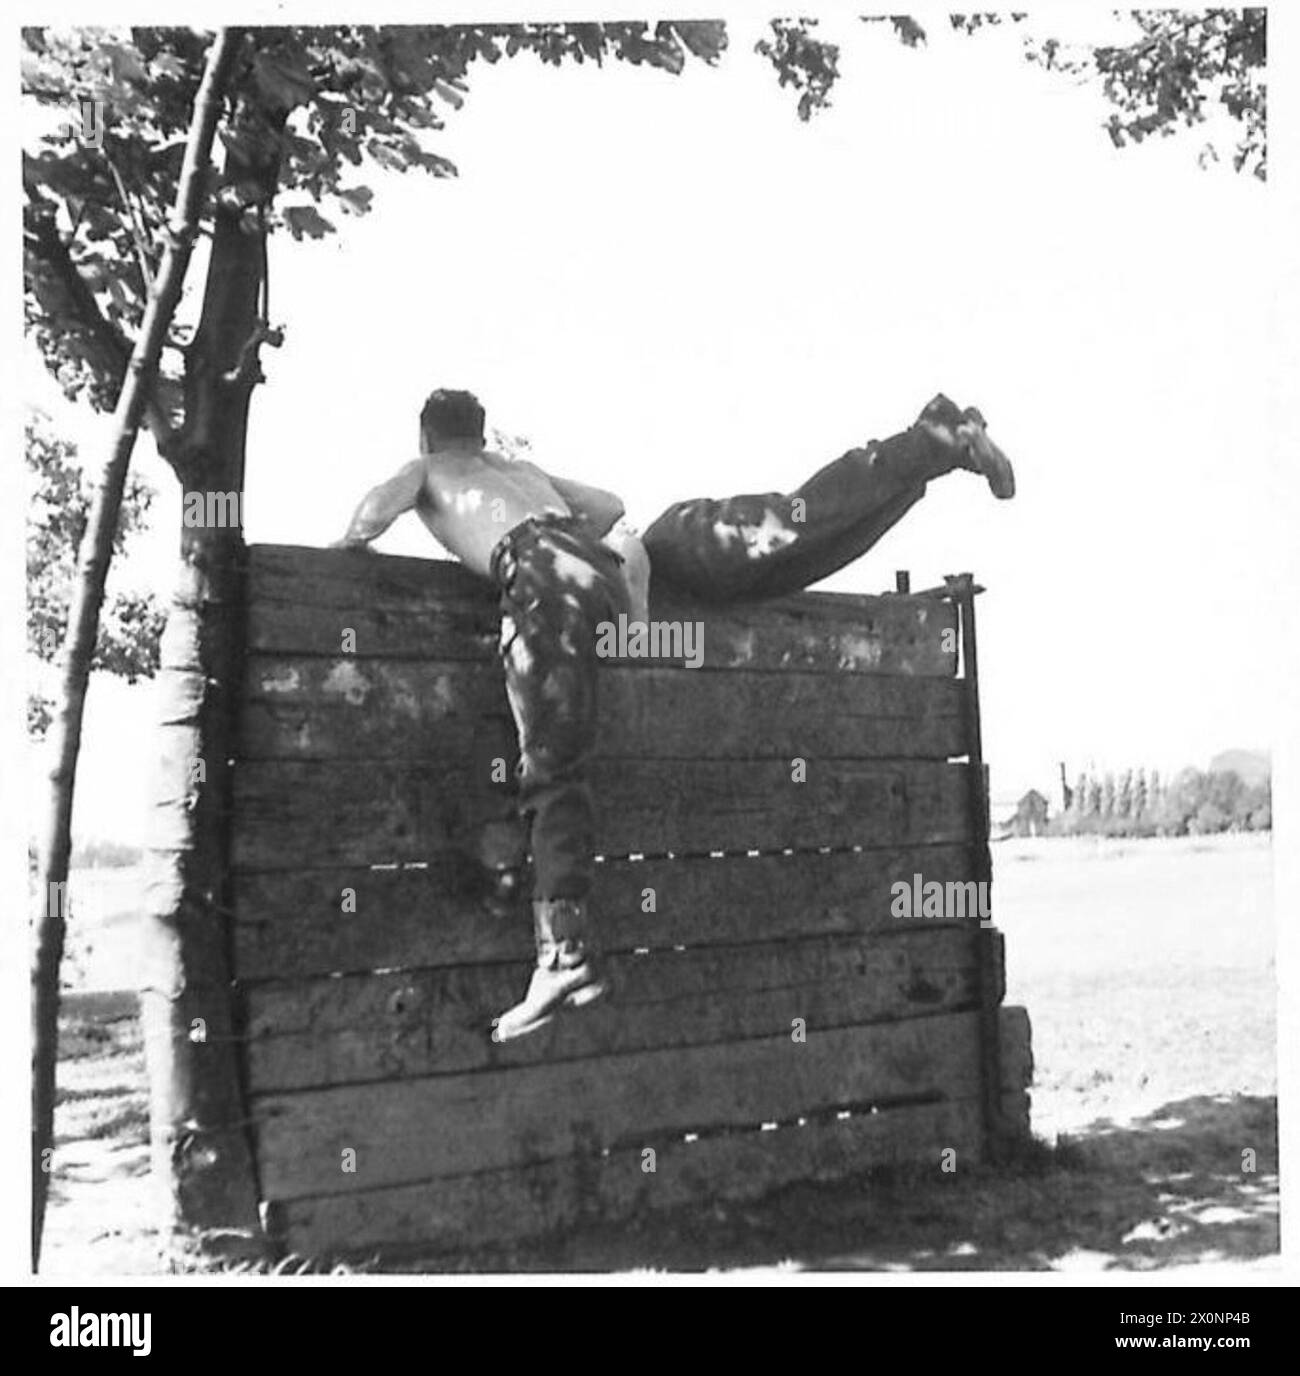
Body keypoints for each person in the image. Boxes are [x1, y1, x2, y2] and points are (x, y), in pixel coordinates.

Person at [334, 388, 1015, 1042]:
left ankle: (565, 955)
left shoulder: (432, 469)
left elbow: (371, 515)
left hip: (586, 563)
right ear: (481, 437)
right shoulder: (520, 471)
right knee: (807, 527)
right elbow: (610, 507)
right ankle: (930, 445)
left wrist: (341, 553)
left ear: (427, 436)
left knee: (551, 771)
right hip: (609, 564)